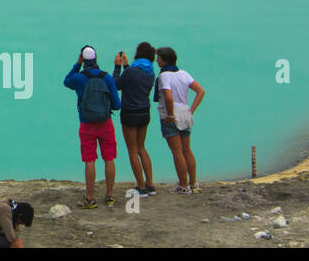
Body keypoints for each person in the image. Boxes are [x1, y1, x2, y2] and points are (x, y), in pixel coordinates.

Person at [64, 45, 122, 208]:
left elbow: (66, 80)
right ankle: (109, 195)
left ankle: (90, 198)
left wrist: (77, 64)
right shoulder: (107, 78)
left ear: (83, 60)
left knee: (90, 160)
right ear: (96, 59)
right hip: (105, 123)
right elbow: (117, 105)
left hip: (86, 123)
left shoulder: (79, 78)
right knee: (109, 158)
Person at [154, 46, 205, 193]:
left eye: (159, 58)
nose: (157, 60)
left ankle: (183, 185)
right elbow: (201, 91)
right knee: (187, 150)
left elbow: (168, 97)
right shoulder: (183, 74)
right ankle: (193, 183)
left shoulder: (164, 76)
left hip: (171, 114)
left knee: (177, 152)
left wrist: (170, 115)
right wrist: (192, 109)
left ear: (164, 61)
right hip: (185, 112)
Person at [114, 42, 157, 197]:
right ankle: (150, 184)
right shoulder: (150, 72)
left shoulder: (131, 71)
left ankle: (140, 187)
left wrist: (118, 67)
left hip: (130, 113)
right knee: (141, 148)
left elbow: (116, 85)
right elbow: (133, 82)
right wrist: (127, 66)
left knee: (132, 150)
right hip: (145, 112)